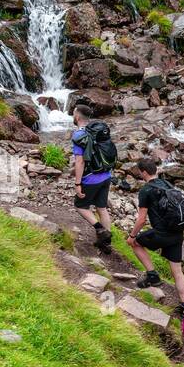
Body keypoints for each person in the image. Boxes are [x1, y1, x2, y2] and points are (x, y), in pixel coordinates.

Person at [128, 157, 184, 312]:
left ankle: (152, 275)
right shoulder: (168, 185)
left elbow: (141, 220)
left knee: (135, 243)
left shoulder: (146, 190)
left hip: (161, 234)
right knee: (177, 271)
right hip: (177, 233)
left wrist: (132, 235)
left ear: (143, 172)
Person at [70, 103, 113, 254]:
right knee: (102, 208)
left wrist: (78, 183)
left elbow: (80, 162)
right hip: (106, 175)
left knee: (80, 206)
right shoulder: (98, 129)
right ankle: (106, 244)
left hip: (90, 178)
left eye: (73, 114)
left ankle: (100, 229)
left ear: (77, 116)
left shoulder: (78, 136)